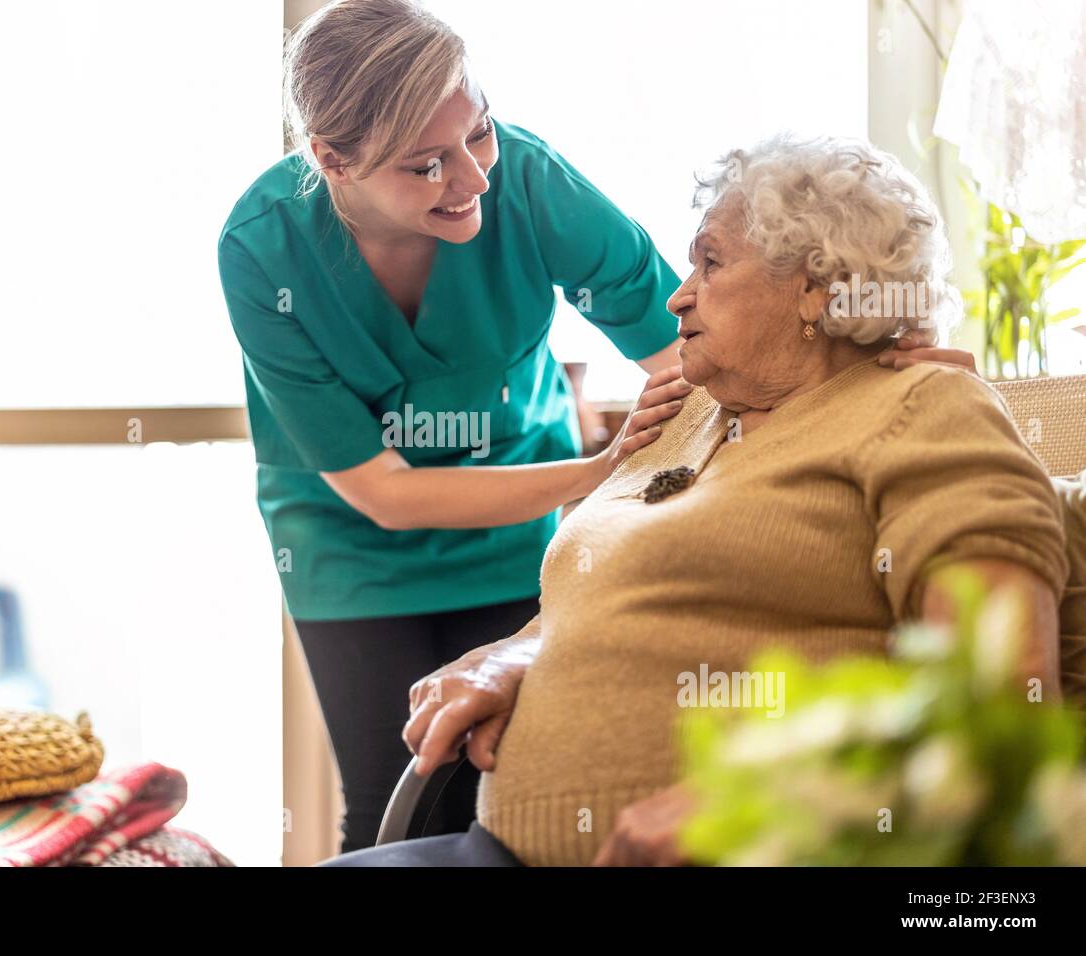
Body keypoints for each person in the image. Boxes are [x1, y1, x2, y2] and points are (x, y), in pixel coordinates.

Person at [322, 134, 1064, 866]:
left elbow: (1000, 701)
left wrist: (772, 805)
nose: (677, 296)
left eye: (710, 262)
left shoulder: (925, 408)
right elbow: (600, 596)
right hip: (495, 845)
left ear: (815, 287)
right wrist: (516, 655)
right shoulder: (685, 413)